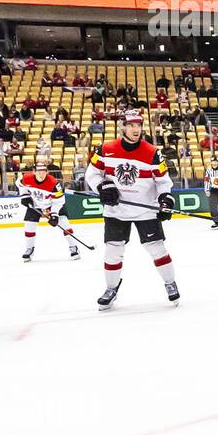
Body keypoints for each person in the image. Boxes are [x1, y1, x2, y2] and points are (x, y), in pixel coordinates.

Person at [84, 109, 179, 309]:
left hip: (145, 209)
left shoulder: (152, 153)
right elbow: (92, 173)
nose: (136, 129)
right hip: (116, 210)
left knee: (157, 248)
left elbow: (163, 181)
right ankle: (111, 288)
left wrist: (165, 200)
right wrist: (102, 186)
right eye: (131, 125)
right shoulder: (105, 149)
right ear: (123, 127)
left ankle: (170, 283)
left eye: (139, 125)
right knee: (113, 252)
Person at [17, 161, 80, 262]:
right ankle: (29, 249)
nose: (41, 174)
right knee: (29, 225)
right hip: (35, 204)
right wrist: (25, 196)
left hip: (53, 205)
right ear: (34, 171)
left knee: (64, 224)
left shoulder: (53, 183)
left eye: (43, 171)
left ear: (47, 172)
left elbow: (59, 201)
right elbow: (19, 184)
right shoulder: (25, 178)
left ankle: (73, 247)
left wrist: (54, 214)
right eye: (39, 171)